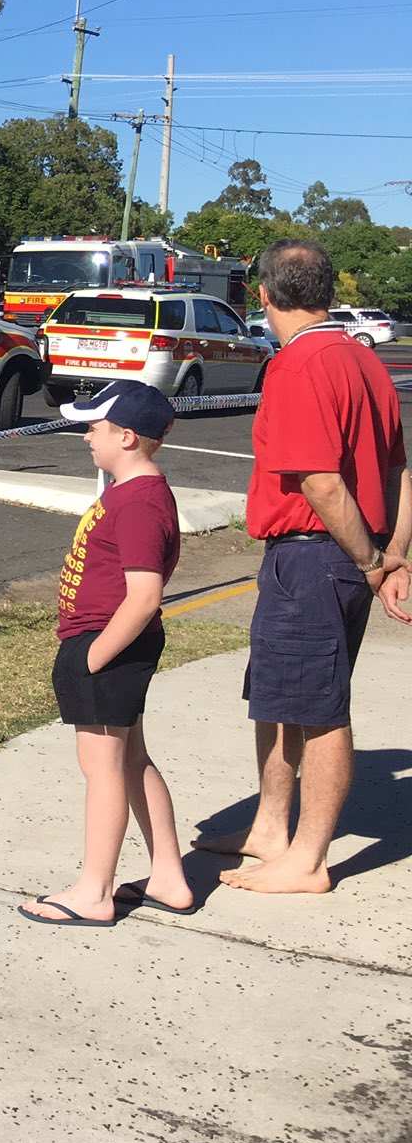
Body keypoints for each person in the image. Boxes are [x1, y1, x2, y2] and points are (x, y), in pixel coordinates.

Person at [197, 238, 411, 894]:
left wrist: (376, 561)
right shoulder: (363, 358)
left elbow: (319, 482)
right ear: (325, 291)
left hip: (316, 557)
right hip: (339, 555)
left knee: (317, 711)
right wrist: (394, 554)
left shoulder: (297, 365)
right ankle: (269, 826)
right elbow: (399, 468)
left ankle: (309, 859)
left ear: (262, 295)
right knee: (279, 700)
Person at [21, 381, 187, 927]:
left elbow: (143, 597)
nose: (86, 436)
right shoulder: (132, 491)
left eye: (94, 427)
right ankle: (168, 877)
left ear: (127, 435)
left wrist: (92, 660)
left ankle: (94, 891)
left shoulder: (140, 501)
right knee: (131, 759)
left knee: (104, 768)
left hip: (105, 642)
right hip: (104, 640)